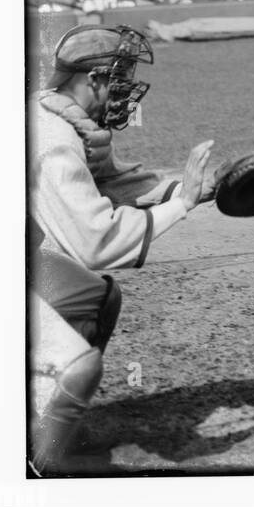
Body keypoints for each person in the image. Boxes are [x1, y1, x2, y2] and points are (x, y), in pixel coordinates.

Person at [28, 25, 213, 471]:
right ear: (91, 80)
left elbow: (114, 184)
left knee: (97, 296)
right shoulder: (52, 140)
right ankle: (37, 464)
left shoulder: (59, 116)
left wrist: (193, 191)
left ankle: (39, 416)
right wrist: (182, 204)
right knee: (78, 364)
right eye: (120, 77)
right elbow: (96, 241)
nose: (127, 89)